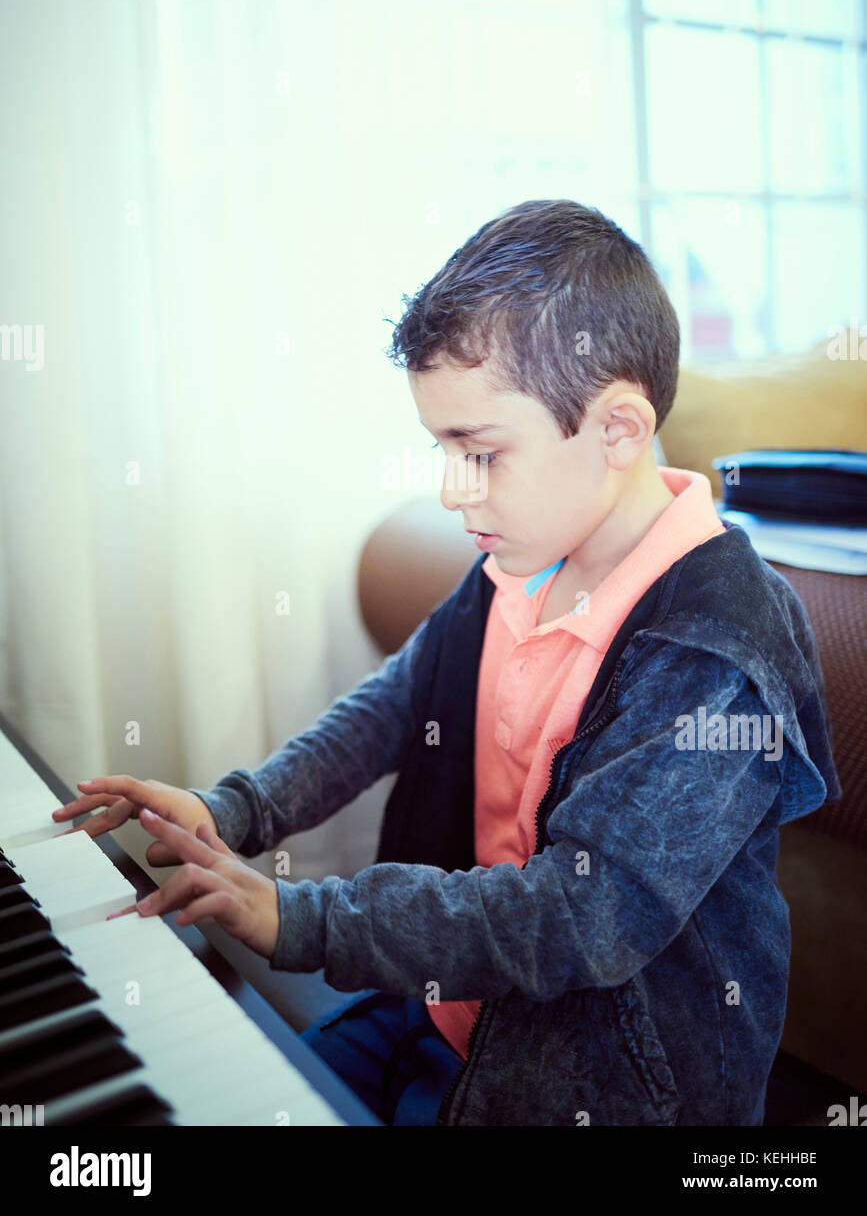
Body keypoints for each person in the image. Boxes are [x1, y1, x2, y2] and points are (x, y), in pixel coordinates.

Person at [55, 199, 841, 1126]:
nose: (449, 489)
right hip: (446, 1007)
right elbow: (395, 706)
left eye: (481, 452)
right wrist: (236, 807)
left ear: (618, 430)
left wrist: (303, 919)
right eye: (441, 447)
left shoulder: (714, 646)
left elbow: (581, 916)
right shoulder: (521, 559)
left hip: (597, 1086)